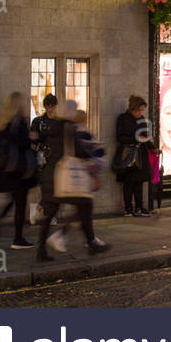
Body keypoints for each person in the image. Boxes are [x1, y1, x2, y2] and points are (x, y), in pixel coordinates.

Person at [35, 100, 109, 262]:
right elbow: (78, 150)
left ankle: (41, 249)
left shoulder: (53, 126)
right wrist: (96, 152)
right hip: (64, 176)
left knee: (50, 213)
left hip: (51, 174)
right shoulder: (67, 127)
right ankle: (89, 242)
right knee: (85, 204)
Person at [0, 92, 38, 250]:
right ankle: (18, 238)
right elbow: (23, 144)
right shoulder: (18, 122)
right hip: (19, 171)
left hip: (5, 171)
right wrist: (32, 138)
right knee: (20, 203)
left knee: (12, 200)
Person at [113, 95, 151, 217]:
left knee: (139, 181)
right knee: (128, 182)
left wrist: (153, 148)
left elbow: (146, 136)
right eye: (138, 110)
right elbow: (120, 137)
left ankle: (139, 206)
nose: (140, 113)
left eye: (142, 111)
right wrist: (136, 139)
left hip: (140, 153)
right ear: (132, 109)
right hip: (127, 153)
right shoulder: (123, 119)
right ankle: (128, 208)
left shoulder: (142, 120)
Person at [30, 93, 58, 168]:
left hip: (56, 156)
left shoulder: (60, 122)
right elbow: (33, 140)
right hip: (42, 156)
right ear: (45, 107)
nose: (50, 109)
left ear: (56, 106)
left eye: (52, 107)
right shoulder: (38, 121)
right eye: (47, 106)